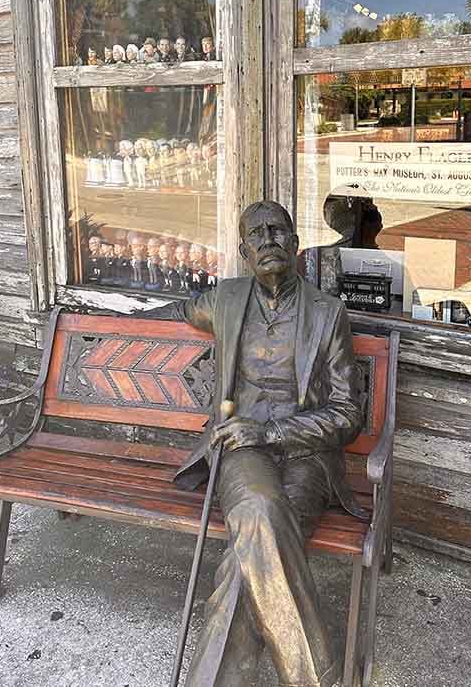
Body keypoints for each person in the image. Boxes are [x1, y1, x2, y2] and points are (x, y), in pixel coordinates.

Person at [158, 200, 364, 687]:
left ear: (295, 245)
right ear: (243, 251)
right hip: (240, 449)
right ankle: (317, 675)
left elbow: (348, 414)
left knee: (252, 543)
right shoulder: (225, 300)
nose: (268, 239)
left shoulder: (327, 312)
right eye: (257, 233)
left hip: (307, 454)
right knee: (258, 508)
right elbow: (175, 307)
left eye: (278, 231)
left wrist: (272, 431)